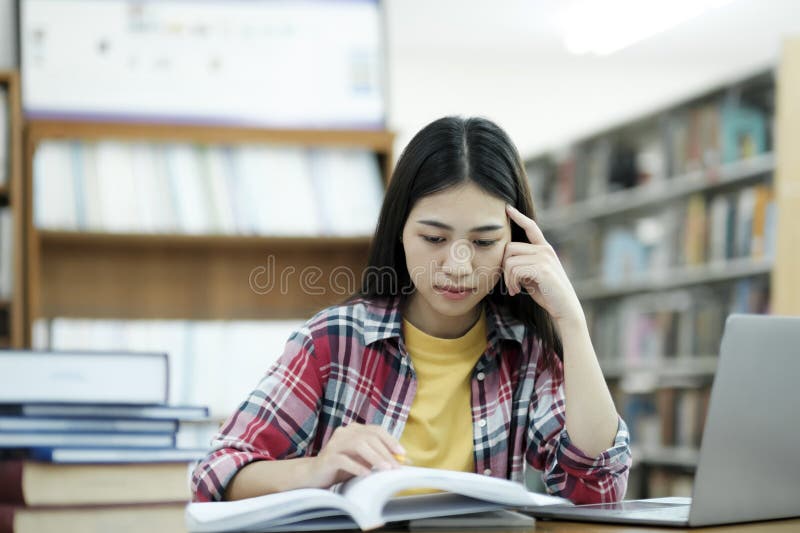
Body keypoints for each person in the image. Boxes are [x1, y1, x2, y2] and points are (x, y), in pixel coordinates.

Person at [191, 116, 631, 505]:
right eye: (434, 239)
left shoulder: (524, 351)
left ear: (514, 242)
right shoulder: (334, 341)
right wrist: (314, 470)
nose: (457, 265)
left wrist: (571, 322)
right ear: (400, 230)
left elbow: (597, 486)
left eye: (482, 242)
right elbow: (216, 472)